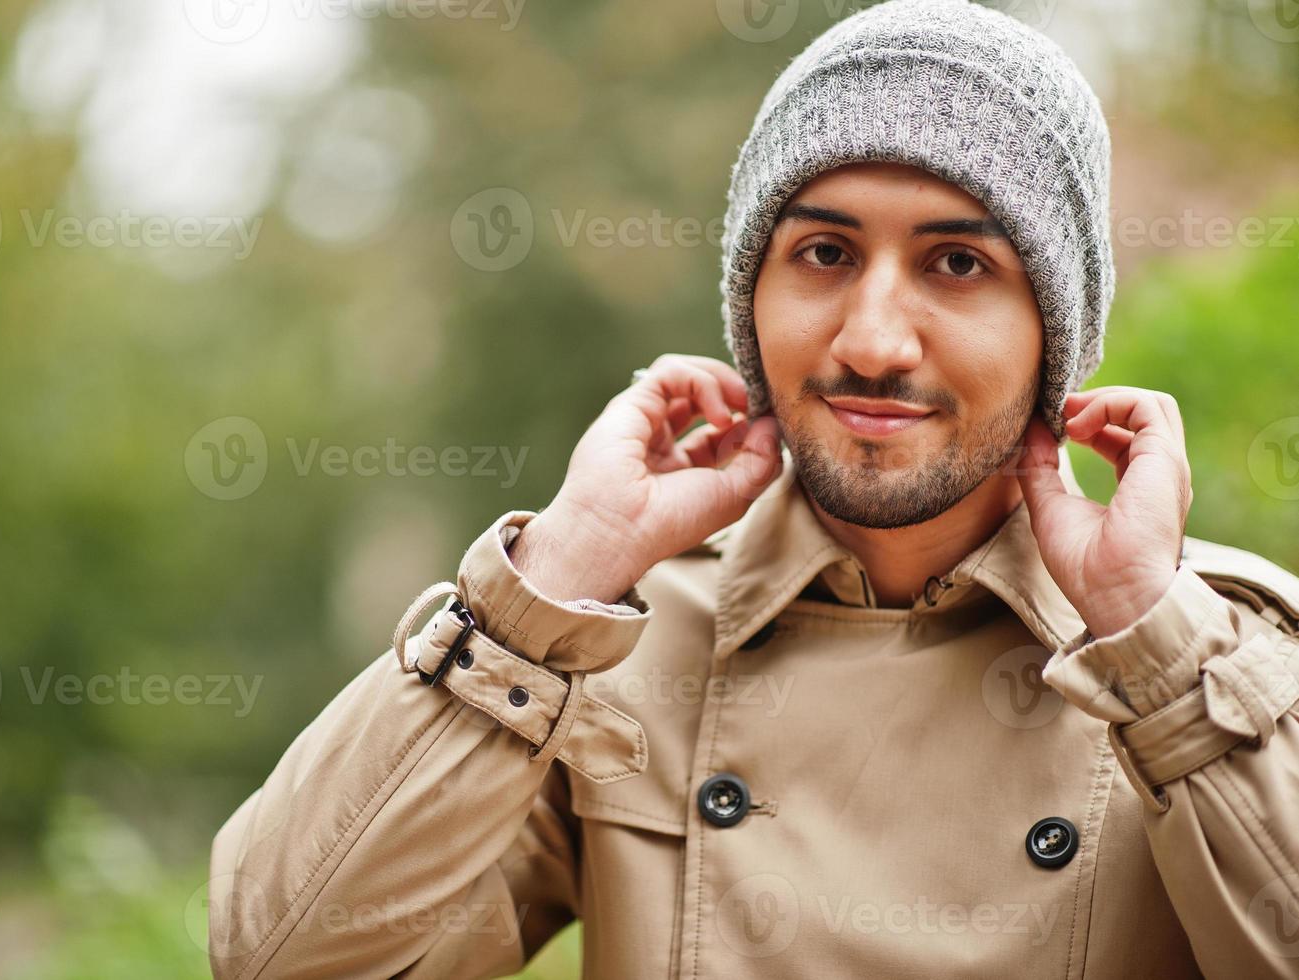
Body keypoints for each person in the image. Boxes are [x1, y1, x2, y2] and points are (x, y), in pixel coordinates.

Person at [208, 1, 1299, 977]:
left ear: (1055, 335)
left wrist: (1153, 641)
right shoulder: (607, 643)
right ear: (751, 298)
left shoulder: (1205, 657)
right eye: (824, 252)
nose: (872, 341)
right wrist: (552, 578)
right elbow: (282, 957)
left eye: (957, 263)